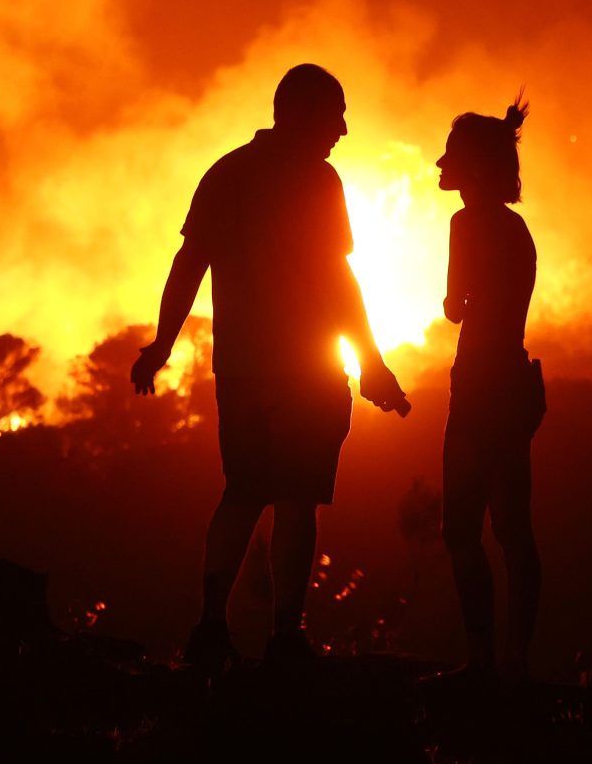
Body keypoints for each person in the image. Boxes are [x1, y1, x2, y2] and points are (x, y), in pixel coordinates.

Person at [132, 63, 410, 670]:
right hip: (304, 371)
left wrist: (162, 345)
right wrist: (371, 363)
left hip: (239, 369)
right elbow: (338, 281)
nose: (342, 127)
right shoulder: (318, 181)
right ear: (304, 112)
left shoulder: (227, 172)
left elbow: (188, 266)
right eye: (335, 113)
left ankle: (211, 627)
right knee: (297, 502)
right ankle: (287, 638)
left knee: (241, 494)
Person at [436, 96, 545, 680]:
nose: (438, 163)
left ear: (473, 166)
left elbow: (454, 307)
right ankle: (516, 660)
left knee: (461, 529)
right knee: (513, 528)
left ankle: (482, 660)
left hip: (479, 383)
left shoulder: (466, 223)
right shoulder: (516, 228)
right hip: (513, 377)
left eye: (449, 154)